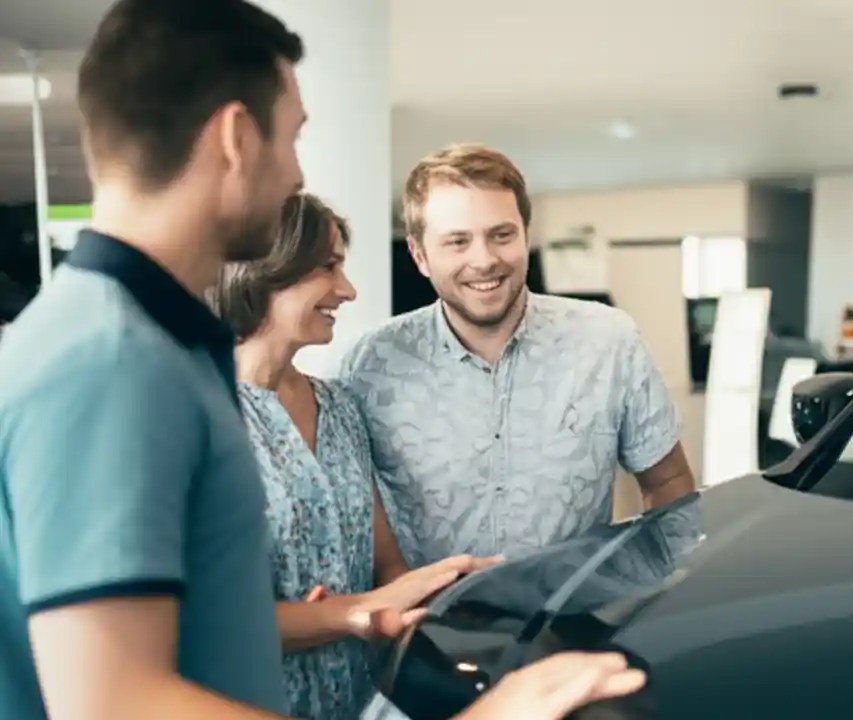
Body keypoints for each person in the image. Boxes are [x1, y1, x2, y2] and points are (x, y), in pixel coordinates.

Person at [0, 2, 642, 718]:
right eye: (295, 136)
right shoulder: (110, 365)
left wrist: (355, 611)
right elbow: (113, 703)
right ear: (238, 137)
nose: (296, 173)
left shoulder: (159, 349)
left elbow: (196, 631)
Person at [340, 143, 701, 569]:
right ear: (420, 256)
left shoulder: (608, 341)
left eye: (502, 235)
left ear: (525, 236)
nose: (484, 259)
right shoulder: (372, 364)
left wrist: (665, 584)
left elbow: (668, 481)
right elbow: (357, 515)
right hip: (430, 627)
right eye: (457, 242)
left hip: (579, 622)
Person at [211, 191, 502, 719]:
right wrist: (355, 614)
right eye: (328, 268)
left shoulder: (339, 406)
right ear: (268, 270)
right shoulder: (199, 414)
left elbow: (385, 567)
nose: (347, 290)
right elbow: (209, 623)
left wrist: (452, 595)